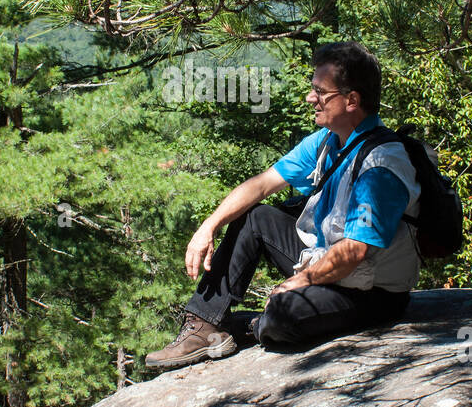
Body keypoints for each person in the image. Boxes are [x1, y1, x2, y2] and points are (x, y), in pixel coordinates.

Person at [145, 41, 421, 371]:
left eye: (320, 92)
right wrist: (209, 225)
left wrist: (303, 281)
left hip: (372, 292)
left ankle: (244, 325)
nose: (310, 98)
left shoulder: (380, 165)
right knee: (256, 217)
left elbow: (354, 252)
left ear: (352, 101)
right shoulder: (330, 140)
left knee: (281, 317)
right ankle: (203, 325)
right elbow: (262, 184)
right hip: (332, 265)